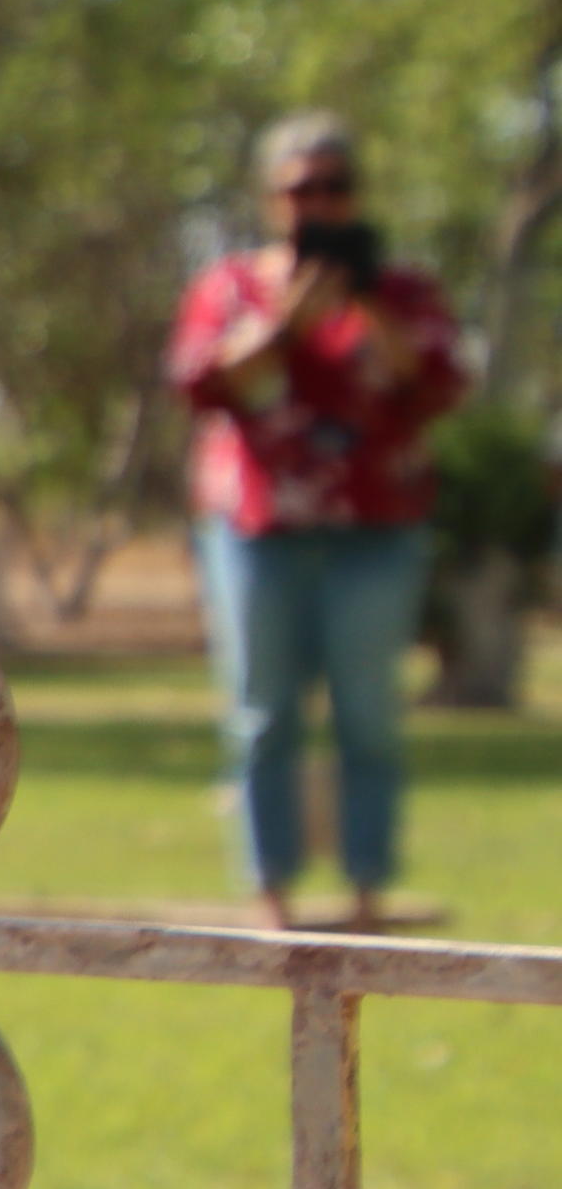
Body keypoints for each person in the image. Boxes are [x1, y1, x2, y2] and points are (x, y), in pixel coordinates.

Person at [169, 117, 470, 931]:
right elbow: (200, 380)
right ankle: (272, 893)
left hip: (375, 526)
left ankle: (368, 891)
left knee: (367, 710)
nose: (319, 203)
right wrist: (284, 327)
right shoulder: (232, 287)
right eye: (302, 188)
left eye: (334, 186)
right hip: (256, 524)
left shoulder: (401, 292)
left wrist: (367, 307)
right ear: (273, 199)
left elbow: (439, 383)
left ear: (357, 194)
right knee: (263, 711)